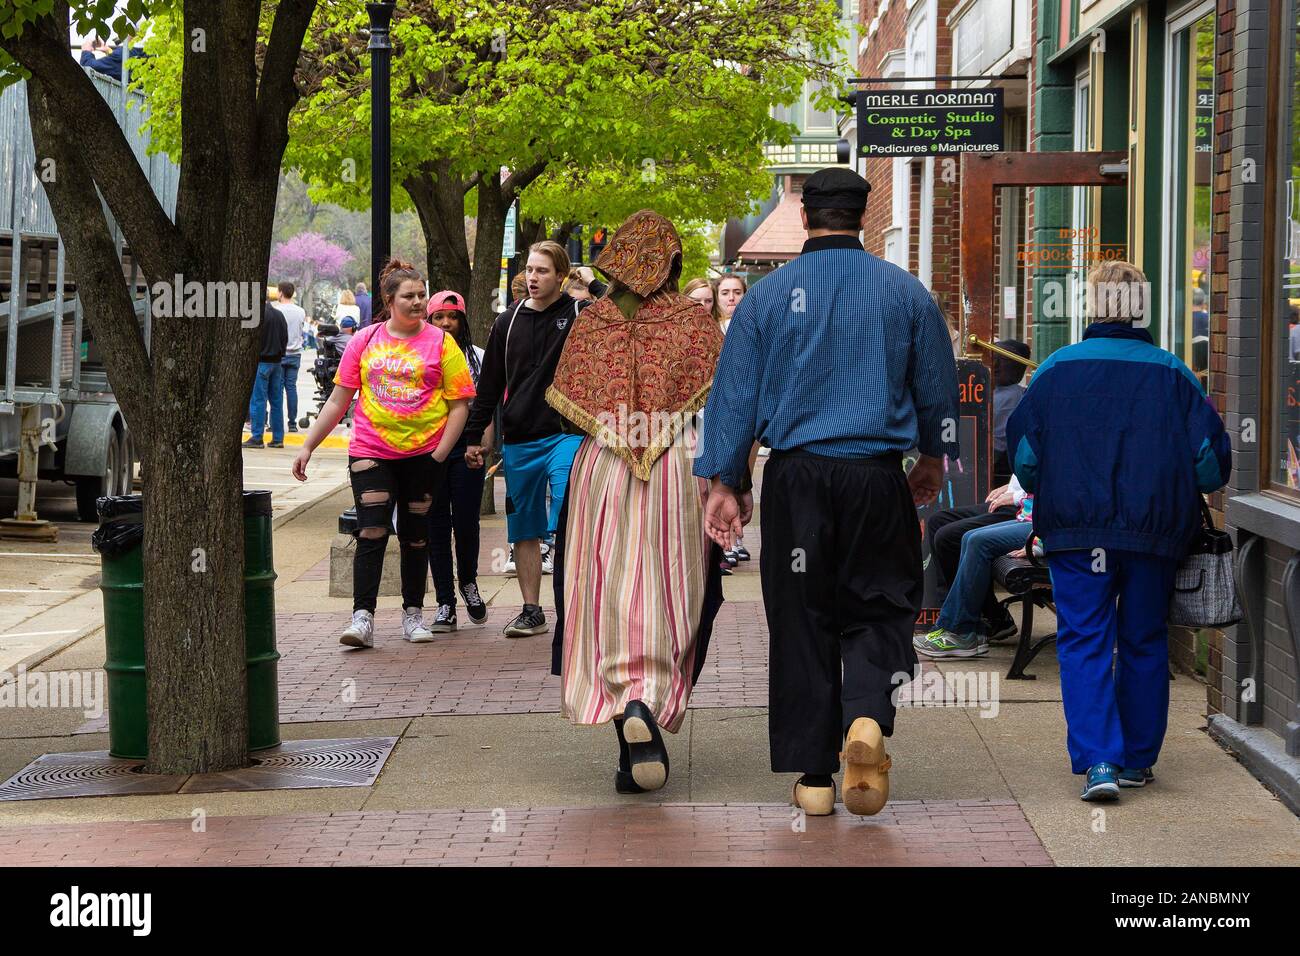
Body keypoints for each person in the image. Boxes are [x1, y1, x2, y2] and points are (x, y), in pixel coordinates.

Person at [694, 166, 958, 818]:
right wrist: (931, 459)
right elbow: (940, 393)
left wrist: (729, 480)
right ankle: (866, 717)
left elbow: (734, 399)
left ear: (806, 218)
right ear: (863, 219)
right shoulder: (906, 295)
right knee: (882, 603)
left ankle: (814, 778)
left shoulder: (765, 298)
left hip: (797, 477)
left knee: (801, 618)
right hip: (874, 474)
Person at [1007, 259, 1230, 801]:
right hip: (1153, 534)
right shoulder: (1175, 373)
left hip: (1078, 532)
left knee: (1083, 639)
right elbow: (1210, 466)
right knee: (1145, 639)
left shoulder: (1057, 369)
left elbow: (1026, 460)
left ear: (1091, 306)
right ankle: (1136, 760)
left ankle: (1100, 762)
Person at [546, 210, 724, 793]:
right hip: (678, 461)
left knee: (605, 589)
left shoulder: (592, 321)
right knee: (672, 589)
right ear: (671, 261)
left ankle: (626, 712)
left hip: (603, 466)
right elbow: (720, 400)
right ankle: (649, 699)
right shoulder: (695, 322)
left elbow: (565, 400)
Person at [291, 259, 477, 648]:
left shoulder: (441, 343)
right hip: (371, 451)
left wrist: (440, 454)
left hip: (424, 455)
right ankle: (363, 618)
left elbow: (460, 404)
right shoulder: (365, 340)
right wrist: (308, 445)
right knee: (372, 528)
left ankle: (413, 614)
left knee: (415, 535)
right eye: (409, 296)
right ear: (389, 300)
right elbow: (339, 399)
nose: (418, 302)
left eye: (421, 295)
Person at [463, 241, 591, 637]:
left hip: (566, 433)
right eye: (531, 270)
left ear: (562, 276)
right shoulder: (507, 321)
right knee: (523, 529)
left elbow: (616, 312)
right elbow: (489, 387)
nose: (534, 278)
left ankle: (575, 608)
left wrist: (591, 282)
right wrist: (475, 438)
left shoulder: (580, 313)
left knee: (569, 508)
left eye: (544, 271)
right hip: (520, 439)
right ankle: (532, 610)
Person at [424, 290, 492, 631]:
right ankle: (444, 603)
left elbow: (486, 406)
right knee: (435, 525)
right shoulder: (419, 356)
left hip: (466, 451)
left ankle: (469, 582)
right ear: (430, 320)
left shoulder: (477, 358)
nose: (446, 323)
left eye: (453, 317)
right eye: (439, 317)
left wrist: (482, 445)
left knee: (466, 523)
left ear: (462, 320)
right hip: (429, 452)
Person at [913, 476, 1032, 659]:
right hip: (1027, 508)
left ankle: (959, 628)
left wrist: (1018, 495)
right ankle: (956, 623)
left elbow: (1049, 484)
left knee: (963, 538)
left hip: (1031, 514)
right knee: (940, 522)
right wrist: (1012, 487)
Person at [713, 273, 755, 569]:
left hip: (746, 411)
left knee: (743, 476)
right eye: (725, 292)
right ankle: (725, 541)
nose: (731, 297)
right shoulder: (713, 331)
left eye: (737, 292)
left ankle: (737, 538)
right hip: (719, 412)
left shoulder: (753, 328)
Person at [246, 295, 288, 449]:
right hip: (277, 362)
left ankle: (257, 436)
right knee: (276, 402)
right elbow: (285, 337)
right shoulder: (278, 314)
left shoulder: (256, 315)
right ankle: (278, 438)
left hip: (262, 361)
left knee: (258, 400)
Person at [992, 339, 1031, 485]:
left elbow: (996, 448)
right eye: (993, 358)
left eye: (1003, 361)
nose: (995, 365)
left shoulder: (1010, 397)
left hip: (1000, 473)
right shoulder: (991, 391)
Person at [276, 282, 307, 434]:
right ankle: (292, 422)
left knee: (277, 390)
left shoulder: (277, 310)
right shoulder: (300, 311)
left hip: (280, 354)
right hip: (295, 353)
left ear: (280, 293)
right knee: (291, 388)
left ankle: (276, 422)